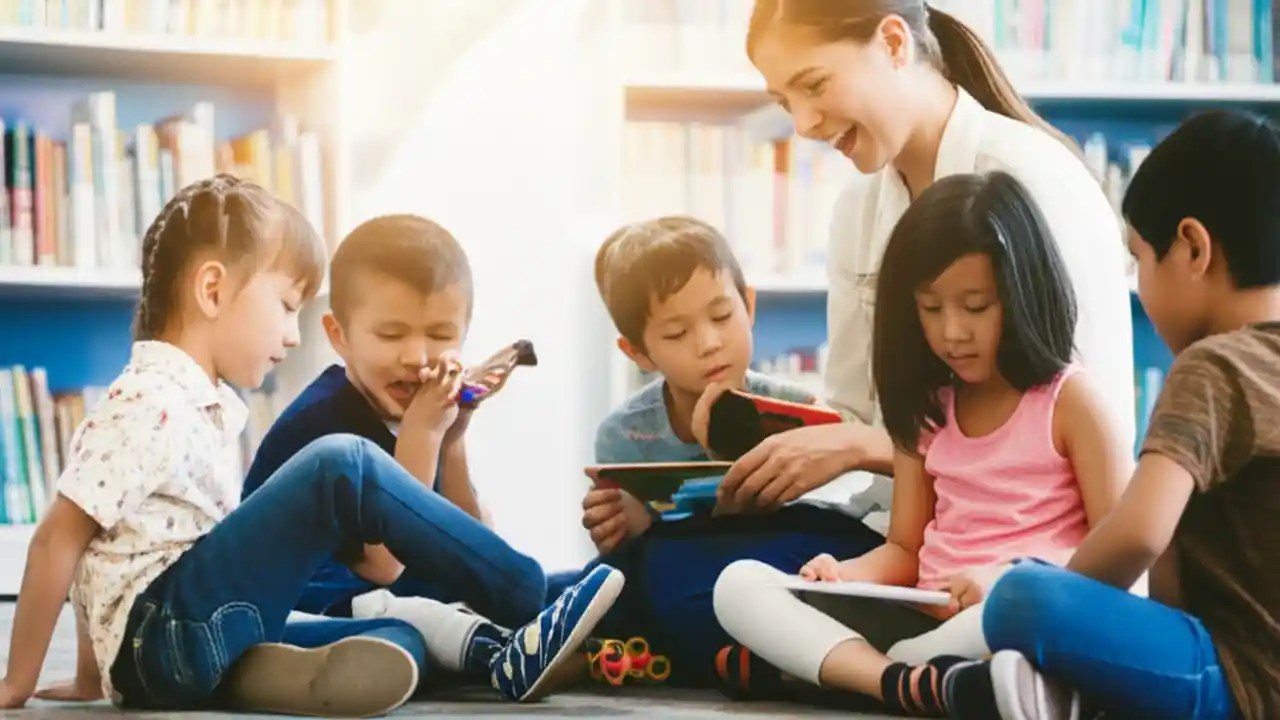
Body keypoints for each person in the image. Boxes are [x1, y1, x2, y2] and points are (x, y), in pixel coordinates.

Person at [0, 176, 623, 716]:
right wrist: (18, 682)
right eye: (285, 305)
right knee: (342, 464)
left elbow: (108, 547)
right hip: (169, 635)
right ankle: (529, 601)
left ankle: (305, 675)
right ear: (214, 291)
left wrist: (92, 675)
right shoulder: (149, 400)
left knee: (395, 636)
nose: (294, 336)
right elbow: (62, 537)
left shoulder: (189, 404)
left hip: (184, 642)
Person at [712, 171, 1128, 716]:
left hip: (1008, 614)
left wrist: (1008, 577)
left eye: (976, 306)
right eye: (931, 309)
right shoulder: (929, 405)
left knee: (1014, 612)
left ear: (1023, 291)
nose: (952, 331)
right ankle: (906, 682)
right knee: (737, 586)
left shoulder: (1071, 402)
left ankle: (849, 672)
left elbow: (1118, 557)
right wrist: (845, 574)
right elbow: (905, 550)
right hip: (920, 613)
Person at [723, 0, 1135, 534]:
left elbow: (1072, 431)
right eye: (785, 101)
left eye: (815, 85)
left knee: (698, 586)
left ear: (894, 44)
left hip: (1027, 545)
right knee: (681, 561)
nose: (803, 124)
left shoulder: (1032, 181)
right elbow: (853, 409)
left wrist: (855, 445)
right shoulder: (859, 206)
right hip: (894, 530)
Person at [926, 111, 1280, 720]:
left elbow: (1142, 533)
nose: (1137, 282)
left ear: (1192, 247)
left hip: (1232, 682)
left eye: (1139, 257)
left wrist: (1041, 586)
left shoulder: (1214, 368)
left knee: (1022, 596)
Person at [574, 216, 883, 686]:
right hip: (688, 565)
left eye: (722, 316)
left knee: (656, 575)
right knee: (605, 577)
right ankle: (757, 658)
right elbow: (626, 546)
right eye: (676, 334)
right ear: (637, 352)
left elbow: (850, 506)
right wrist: (624, 525)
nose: (710, 343)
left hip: (790, 554)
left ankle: (737, 654)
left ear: (749, 304)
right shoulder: (624, 434)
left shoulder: (796, 410)